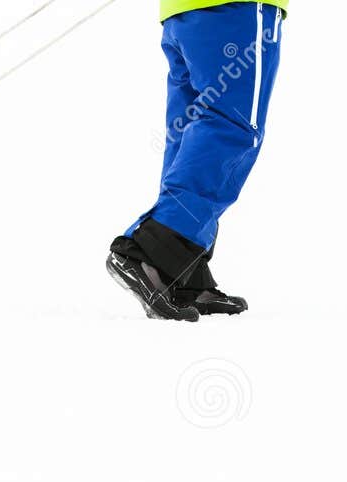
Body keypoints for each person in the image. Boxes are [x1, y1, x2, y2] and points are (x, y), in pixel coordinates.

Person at [108, 1, 286, 321]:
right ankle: (153, 249)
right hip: (235, 10)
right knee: (235, 127)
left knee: (193, 130)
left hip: (183, 14)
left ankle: (177, 271)